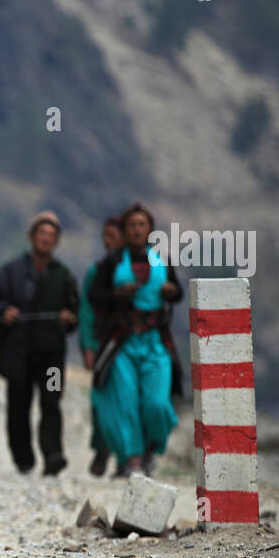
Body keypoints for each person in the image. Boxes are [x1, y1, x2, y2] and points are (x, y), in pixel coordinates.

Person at [0, 211, 79, 475]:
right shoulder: (10, 272)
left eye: (51, 236)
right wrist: (3, 312)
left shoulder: (63, 276)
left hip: (52, 355)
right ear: (32, 237)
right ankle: (24, 460)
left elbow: (76, 313)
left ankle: (53, 456)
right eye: (41, 234)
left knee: (51, 401)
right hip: (19, 353)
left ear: (57, 242)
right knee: (19, 404)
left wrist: (68, 318)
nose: (46, 239)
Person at [88, 202, 182, 476]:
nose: (137, 230)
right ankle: (133, 460)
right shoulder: (112, 262)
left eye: (142, 225)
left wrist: (170, 292)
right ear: (125, 230)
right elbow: (95, 296)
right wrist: (117, 295)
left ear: (150, 229)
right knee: (125, 402)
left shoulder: (162, 259)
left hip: (155, 342)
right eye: (132, 225)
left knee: (157, 403)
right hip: (123, 344)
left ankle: (154, 445)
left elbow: (178, 294)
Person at [78, 215, 123, 476]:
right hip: (102, 343)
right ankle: (102, 447)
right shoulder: (97, 271)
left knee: (128, 402)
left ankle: (126, 459)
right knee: (101, 400)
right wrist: (87, 346)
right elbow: (86, 309)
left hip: (130, 343)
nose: (108, 242)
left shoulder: (140, 269)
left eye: (113, 236)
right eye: (105, 236)